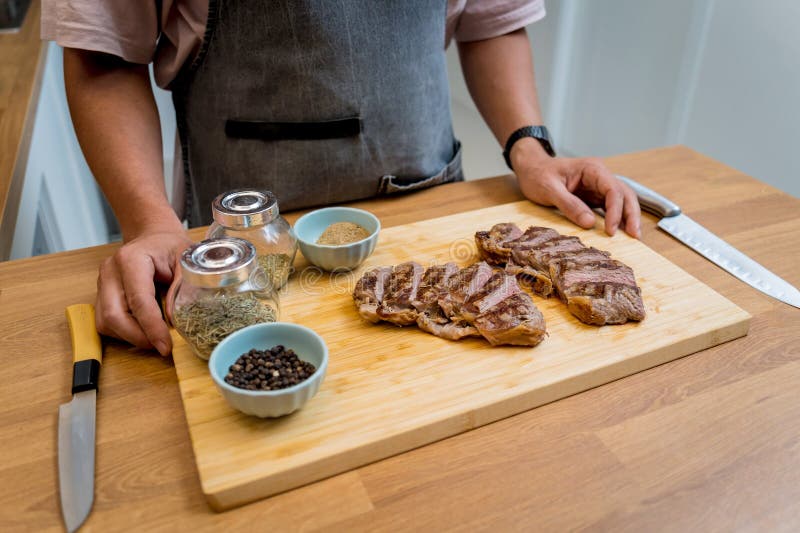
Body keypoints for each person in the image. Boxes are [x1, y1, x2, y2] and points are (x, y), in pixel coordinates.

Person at [42, 1, 641, 356]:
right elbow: (101, 54)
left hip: (428, 200)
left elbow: (493, 19)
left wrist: (529, 149)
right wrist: (149, 221)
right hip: (238, 245)